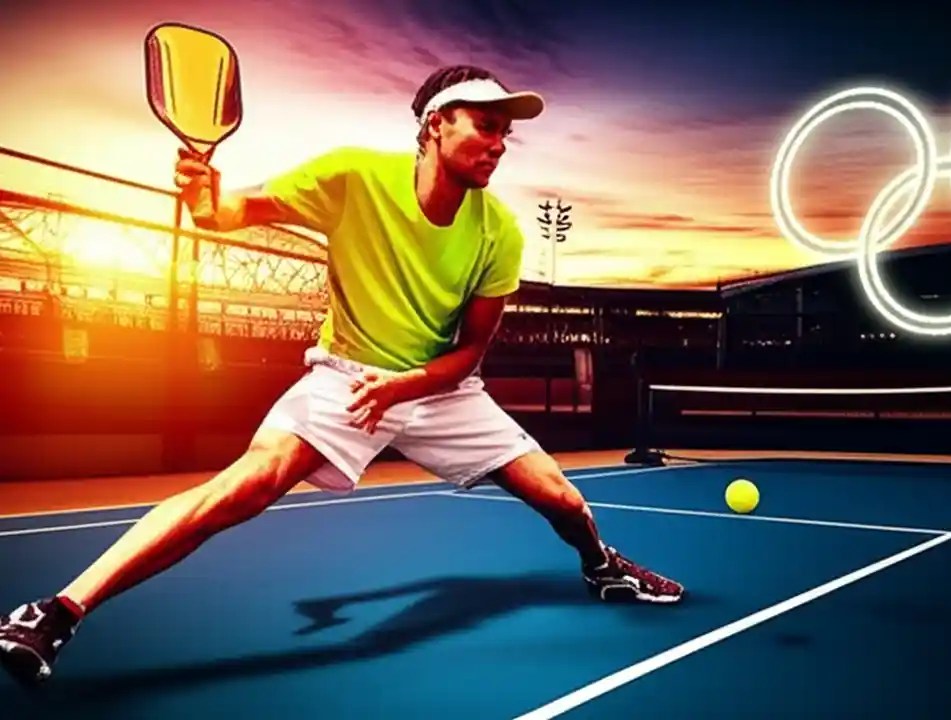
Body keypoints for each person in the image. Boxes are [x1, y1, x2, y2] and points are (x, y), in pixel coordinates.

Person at [0, 65, 684, 687]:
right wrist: (209, 201)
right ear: (434, 125)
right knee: (244, 485)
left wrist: (405, 387)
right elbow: (232, 214)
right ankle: (57, 610)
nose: (499, 144)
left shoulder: (498, 231)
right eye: (484, 126)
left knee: (562, 501)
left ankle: (601, 564)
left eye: (506, 133)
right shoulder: (353, 176)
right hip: (346, 375)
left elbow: (469, 353)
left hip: (439, 387)